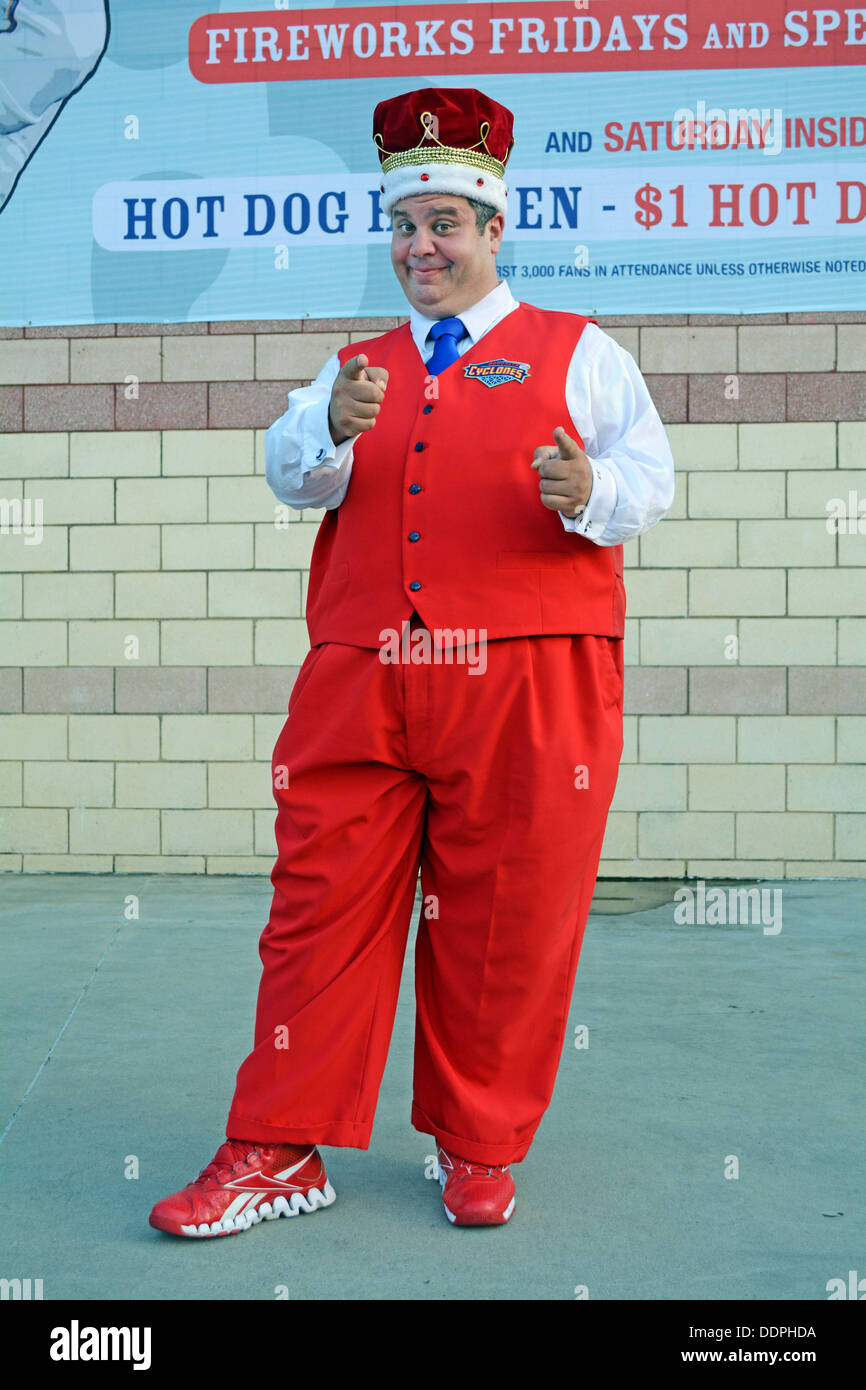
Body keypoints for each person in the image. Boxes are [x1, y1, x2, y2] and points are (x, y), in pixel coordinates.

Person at [149, 85, 675, 1238]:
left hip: (530, 674)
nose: (419, 246)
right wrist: (329, 426)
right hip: (362, 672)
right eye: (402, 225)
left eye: (442, 222)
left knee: (509, 915)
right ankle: (277, 1144)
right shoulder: (351, 367)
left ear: (493, 227)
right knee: (317, 906)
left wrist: (590, 488)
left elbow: (650, 481)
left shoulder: (581, 353)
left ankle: (477, 1142)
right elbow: (291, 474)